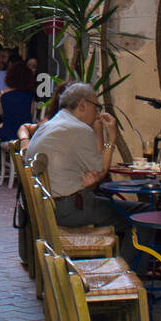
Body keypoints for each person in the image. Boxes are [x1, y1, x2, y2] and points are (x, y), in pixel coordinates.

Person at [24, 83, 120, 229]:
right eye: (96, 107)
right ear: (82, 105)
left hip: (46, 208)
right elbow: (101, 170)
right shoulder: (78, 129)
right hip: (67, 209)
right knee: (137, 215)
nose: (97, 114)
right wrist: (111, 140)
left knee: (113, 208)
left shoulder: (50, 125)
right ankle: (126, 253)